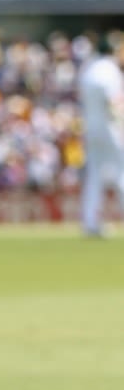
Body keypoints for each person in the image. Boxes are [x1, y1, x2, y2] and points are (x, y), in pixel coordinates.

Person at [77, 32, 124, 237]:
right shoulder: (110, 69)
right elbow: (114, 103)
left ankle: (91, 222)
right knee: (122, 172)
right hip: (110, 128)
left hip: (91, 127)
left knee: (95, 175)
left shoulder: (90, 69)